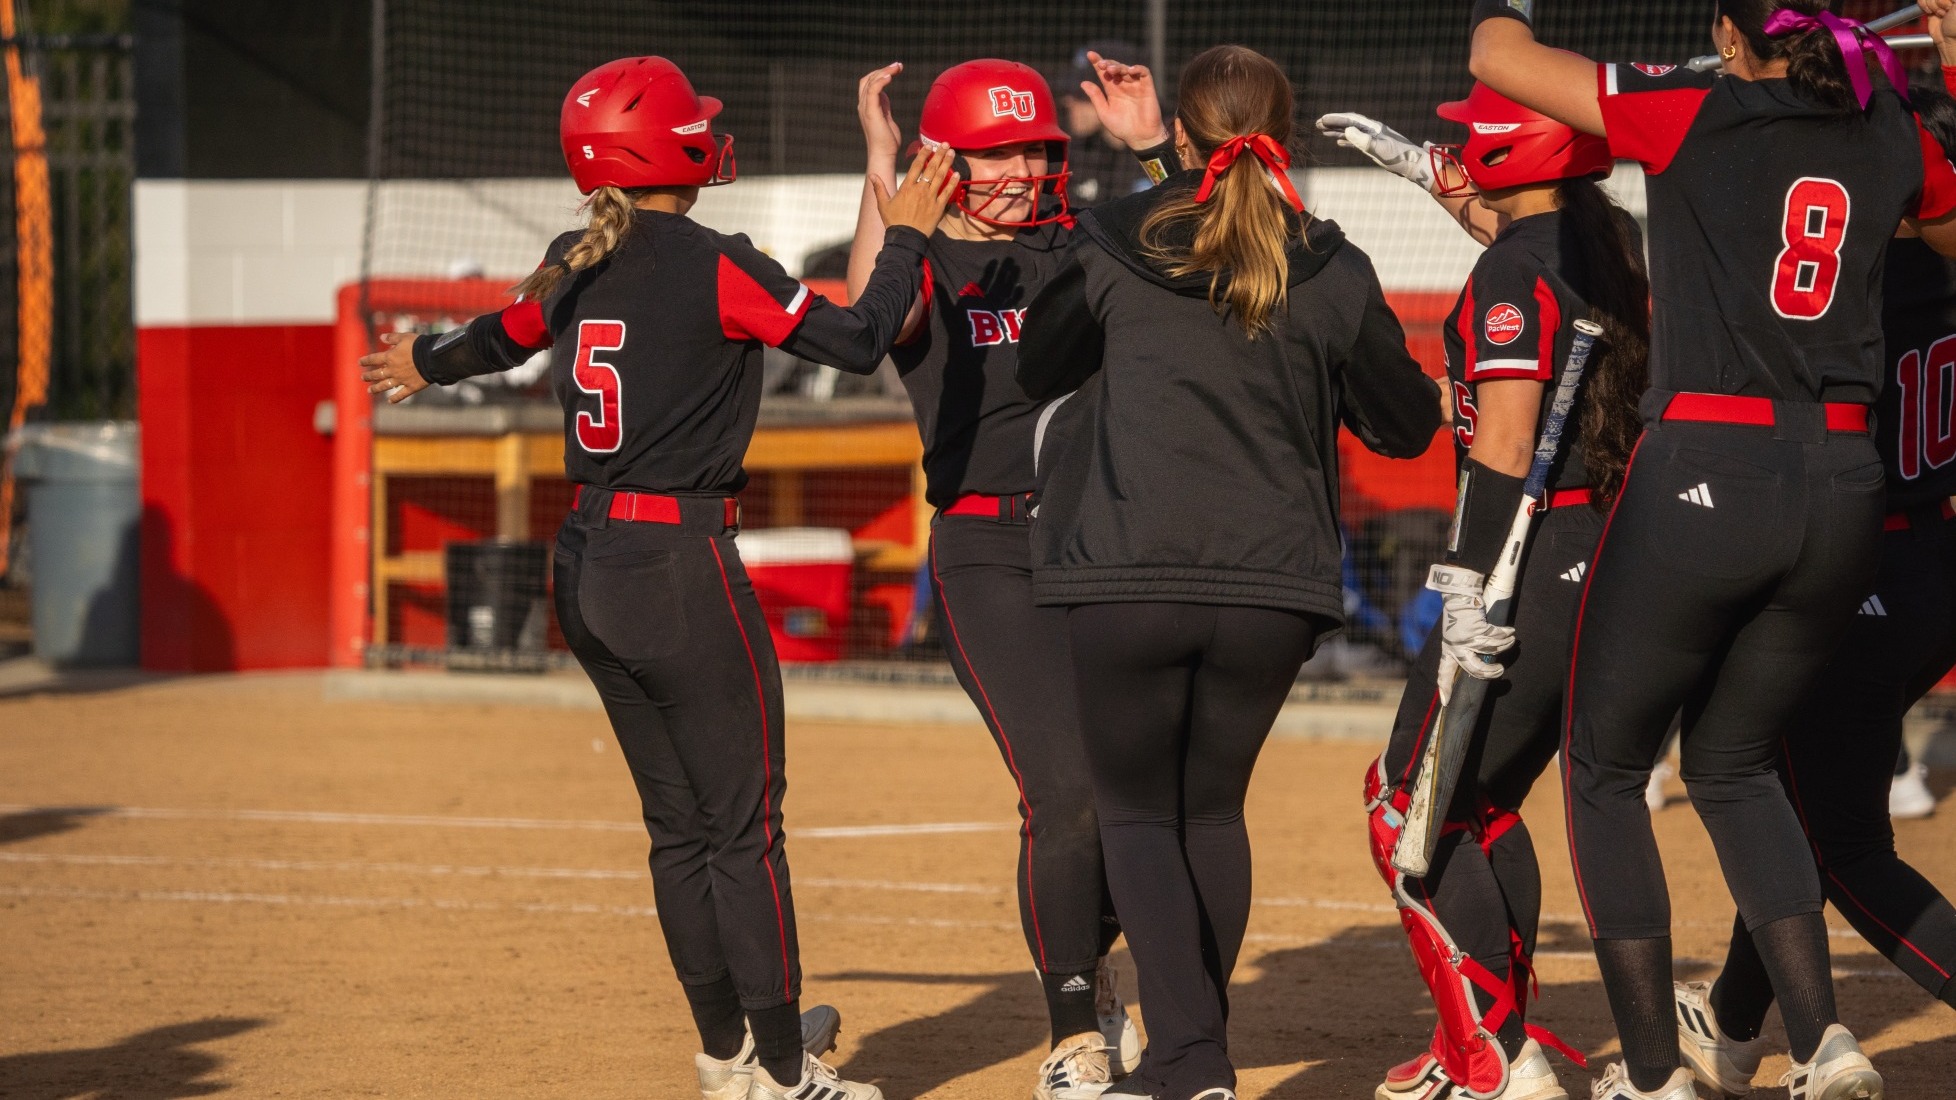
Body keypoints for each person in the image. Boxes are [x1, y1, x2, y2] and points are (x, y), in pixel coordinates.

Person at [358, 55, 957, 1100]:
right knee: (743, 827)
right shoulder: (719, 260)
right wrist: (905, 230)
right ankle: (781, 1070)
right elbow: (861, 340)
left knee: (679, 828)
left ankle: (731, 1050)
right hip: (677, 565)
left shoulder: (574, 253)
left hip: (585, 559)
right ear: (672, 149)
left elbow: (502, 337)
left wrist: (425, 360)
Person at [1464, 1, 1956, 1097]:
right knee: (1734, 762)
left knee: (1605, 766)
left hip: (1708, 463)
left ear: (1735, 34)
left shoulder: (1695, 106)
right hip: (1842, 481)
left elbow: (1496, 57)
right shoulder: (1893, 130)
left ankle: (1652, 1073)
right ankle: (1822, 1041)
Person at [1019, 44, 1445, 1100]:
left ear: (1183, 138)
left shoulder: (1116, 237)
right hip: (1274, 584)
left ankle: (1190, 1059)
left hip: (1127, 570)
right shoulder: (1334, 262)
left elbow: (1040, 364)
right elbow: (1404, 425)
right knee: (1210, 812)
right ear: (1284, 138)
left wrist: (1142, 176)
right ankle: (1191, 1053)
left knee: (1135, 814)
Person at [1319, 77, 1651, 1100]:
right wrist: (1421, 173)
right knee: (1480, 799)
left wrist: (1463, 582)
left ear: (1513, 158)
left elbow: (1505, 440)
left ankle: (1490, 1057)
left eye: (1468, 145)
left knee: (1405, 807)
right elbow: (1518, 226)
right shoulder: (1605, 240)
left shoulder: (1513, 267)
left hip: (1528, 553)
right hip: (1602, 545)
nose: (1453, 155)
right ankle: (1506, 1036)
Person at [846, 52, 1169, 1100]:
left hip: (1105, 541)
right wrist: (885, 174)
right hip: (989, 551)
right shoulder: (923, 258)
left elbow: (1211, 246)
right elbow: (861, 325)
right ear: (948, 161)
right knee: (1064, 790)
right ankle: (1074, 1031)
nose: (1032, 165)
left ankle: (1104, 951)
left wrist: (1156, 147)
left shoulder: (1084, 243)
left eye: (1041, 146)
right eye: (1005, 151)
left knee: (1146, 787)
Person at [1675, 68, 1956, 1098]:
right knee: (1809, 802)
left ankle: (1770, 1027)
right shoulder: (1932, 267)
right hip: (1930, 561)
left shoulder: (1860, 278)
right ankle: (1734, 1018)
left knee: (1838, 845)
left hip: (1855, 564)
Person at [1053, 41, 1161, 205]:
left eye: (1081, 94)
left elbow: (1170, 190)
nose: (1069, 101)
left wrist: (1149, 145)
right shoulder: (1075, 156)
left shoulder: (1160, 150)